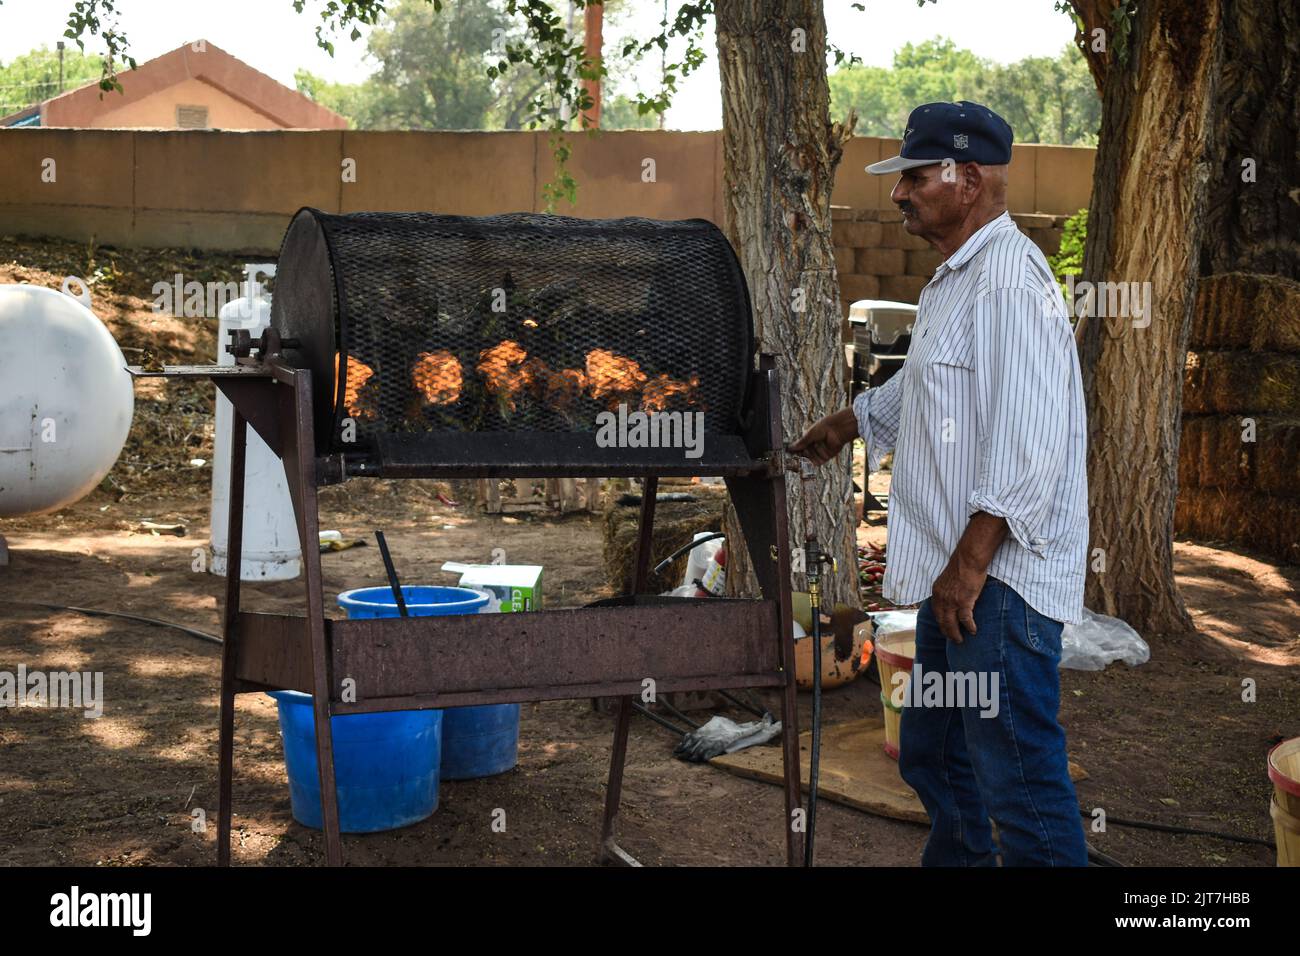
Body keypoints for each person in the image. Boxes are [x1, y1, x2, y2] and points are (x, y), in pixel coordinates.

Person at [791, 101, 1089, 866]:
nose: (898, 194)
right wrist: (849, 421)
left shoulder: (1010, 286)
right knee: (934, 754)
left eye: (915, 177)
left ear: (969, 178)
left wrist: (969, 566)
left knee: (1017, 781)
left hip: (997, 586)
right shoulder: (957, 279)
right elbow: (927, 386)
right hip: (958, 584)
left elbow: (1029, 445)